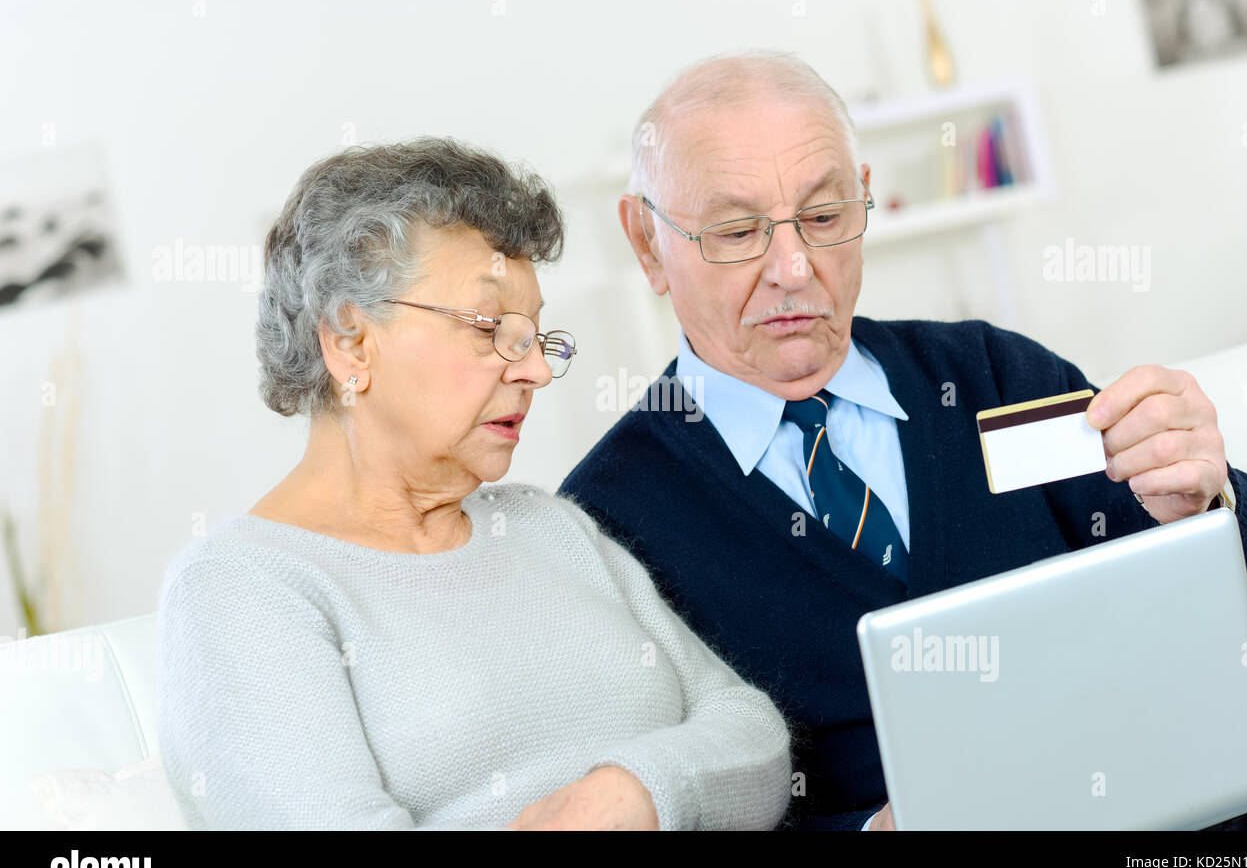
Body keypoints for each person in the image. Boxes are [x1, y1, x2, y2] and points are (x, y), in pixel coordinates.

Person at [558, 51, 1247, 830]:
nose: (793, 267)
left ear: (867, 197)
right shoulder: (604, 527)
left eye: (824, 216)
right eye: (738, 231)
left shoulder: (988, 372)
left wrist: (1207, 507)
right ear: (647, 242)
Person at [155, 136, 791, 830]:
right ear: (349, 340)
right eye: (491, 328)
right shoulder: (242, 587)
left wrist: (638, 790)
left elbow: (751, 730)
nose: (536, 371)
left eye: (536, 337)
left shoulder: (550, 525)